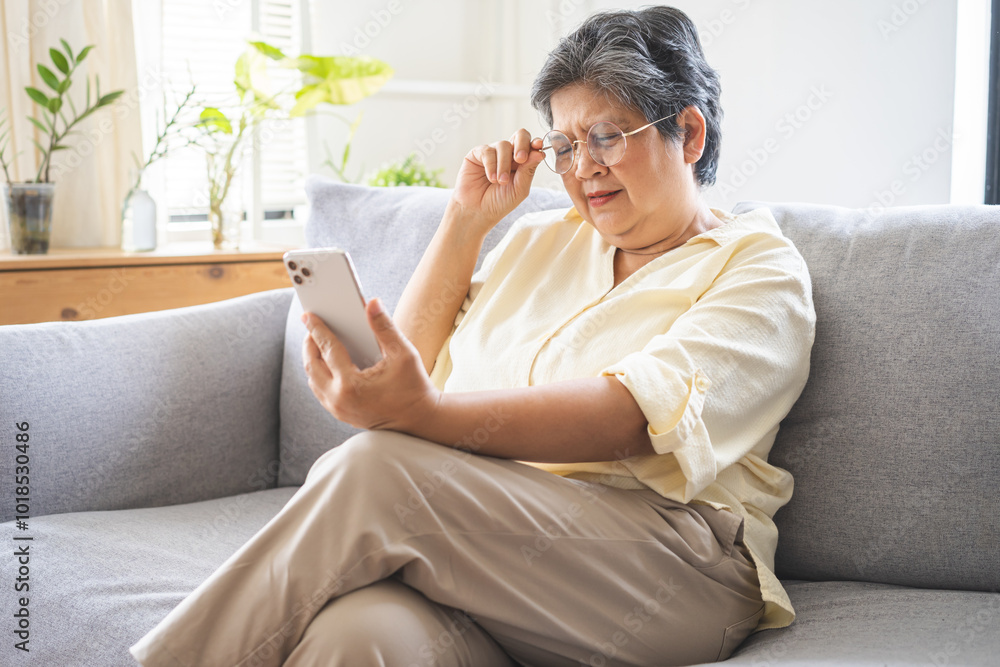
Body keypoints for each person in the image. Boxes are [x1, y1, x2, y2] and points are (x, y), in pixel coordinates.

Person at [130, 6, 815, 667]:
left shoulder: (759, 268)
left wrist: (422, 415)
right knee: (356, 636)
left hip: (672, 568)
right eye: (565, 146)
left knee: (374, 470)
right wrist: (464, 221)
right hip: (493, 559)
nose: (583, 167)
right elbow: (405, 372)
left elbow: (631, 417)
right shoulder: (539, 240)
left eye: (606, 136)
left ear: (688, 134)